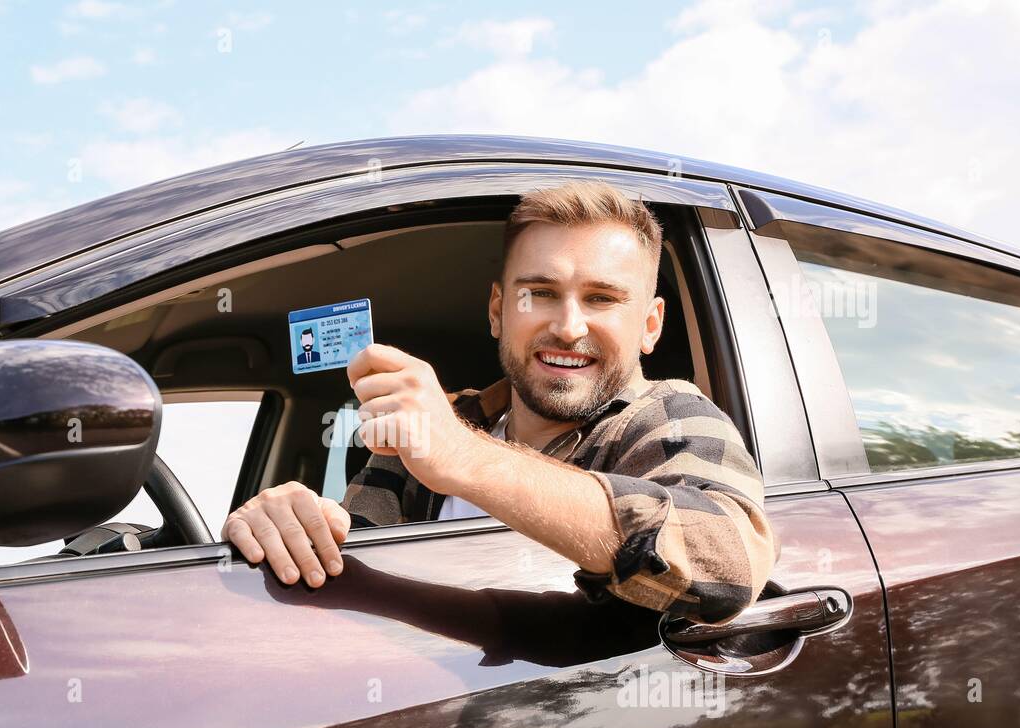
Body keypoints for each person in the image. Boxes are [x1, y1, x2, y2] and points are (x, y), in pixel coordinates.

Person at [222, 180, 779, 625]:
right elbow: (356, 570)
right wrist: (288, 525)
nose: (567, 326)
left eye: (602, 298)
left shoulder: (668, 416)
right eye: (538, 293)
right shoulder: (440, 424)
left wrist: (466, 461)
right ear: (497, 310)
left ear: (650, 326)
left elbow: (727, 561)